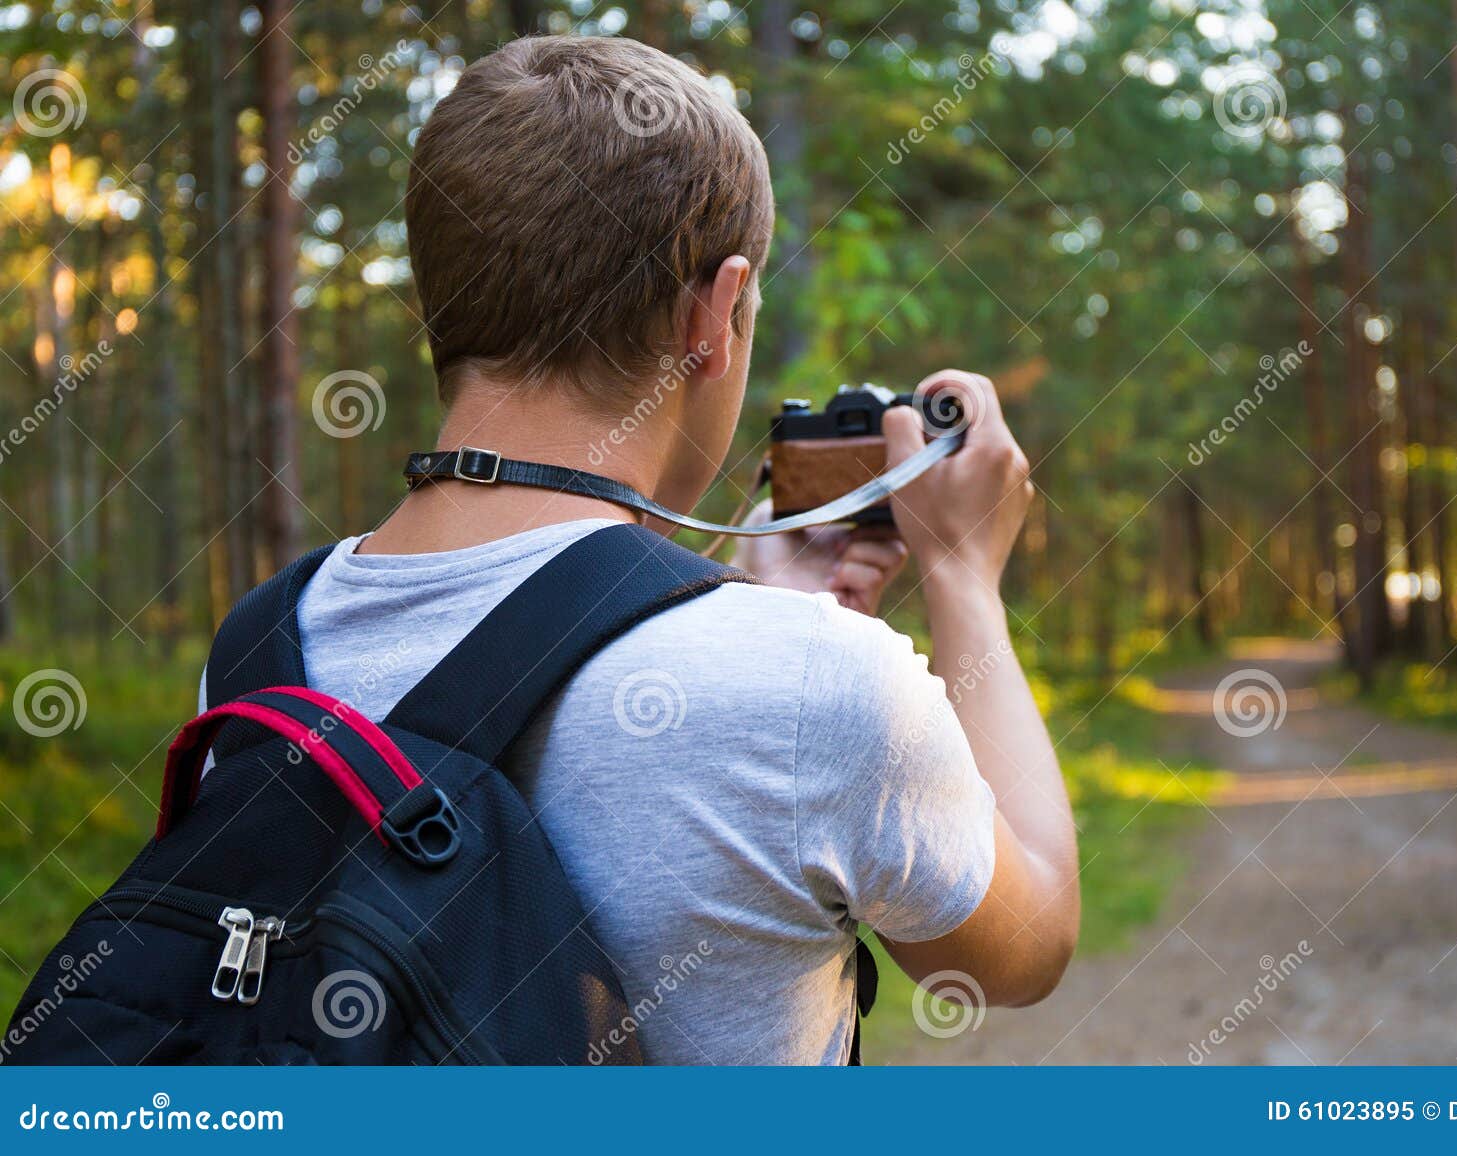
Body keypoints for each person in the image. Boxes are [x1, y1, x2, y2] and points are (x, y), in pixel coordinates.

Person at [213, 34, 1078, 1064]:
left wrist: (722, 601)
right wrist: (962, 575)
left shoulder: (258, 650)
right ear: (712, 316)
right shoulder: (816, 685)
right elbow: (1024, 948)